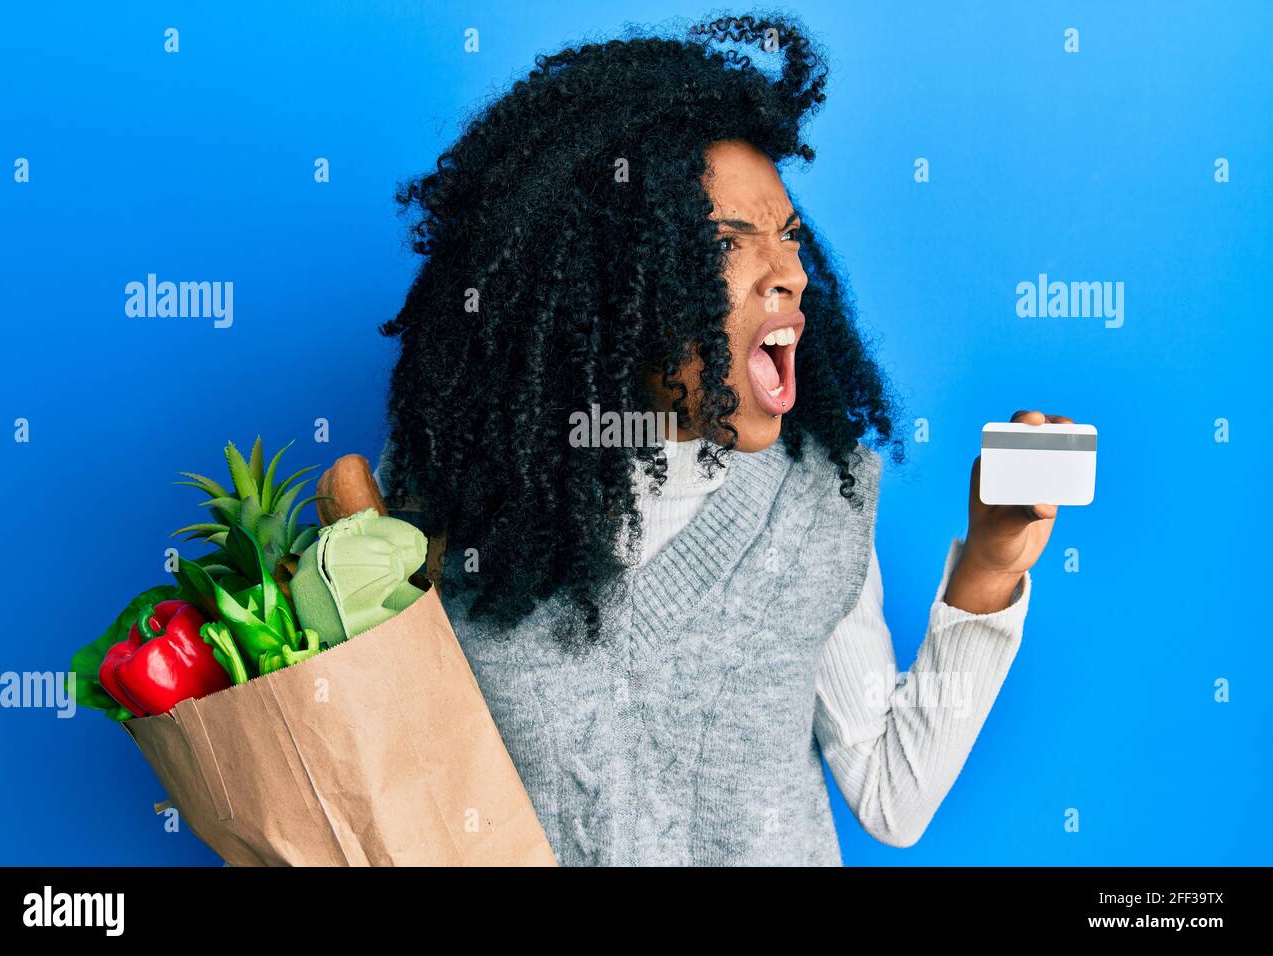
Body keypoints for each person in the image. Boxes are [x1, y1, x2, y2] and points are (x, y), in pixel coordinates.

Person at [375, 14, 1069, 865]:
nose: (791, 271)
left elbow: (893, 797)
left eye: (789, 236)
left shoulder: (820, 498)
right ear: (605, 276)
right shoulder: (455, 490)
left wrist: (992, 567)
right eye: (729, 241)